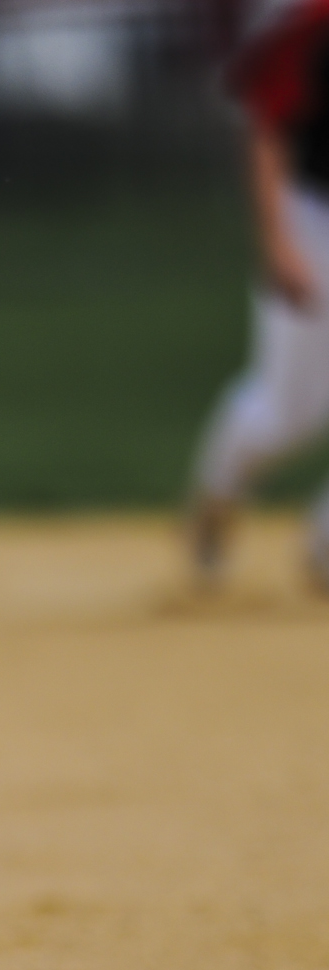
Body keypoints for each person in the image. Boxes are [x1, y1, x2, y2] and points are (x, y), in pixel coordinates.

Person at [191, 0, 329, 588]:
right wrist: (278, 241)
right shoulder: (314, 27)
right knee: (290, 412)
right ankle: (217, 492)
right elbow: (267, 126)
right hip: (313, 216)